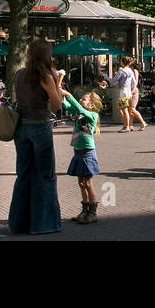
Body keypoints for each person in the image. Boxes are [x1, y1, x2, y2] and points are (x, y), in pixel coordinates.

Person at [9, 38, 65, 235]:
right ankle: (44, 224)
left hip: (20, 127)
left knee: (23, 174)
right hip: (40, 126)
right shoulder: (45, 76)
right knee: (45, 175)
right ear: (46, 56)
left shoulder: (19, 75)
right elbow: (57, 105)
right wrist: (57, 83)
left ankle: (18, 223)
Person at [62, 90, 103, 225]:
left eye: (84, 99)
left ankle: (92, 212)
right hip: (78, 153)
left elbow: (79, 108)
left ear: (91, 105)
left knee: (88, 183)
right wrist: (61, 96)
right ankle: (84, 210)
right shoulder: (79, 114)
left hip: (87, 153)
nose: (81, 100)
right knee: (81, 183)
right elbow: (68, 106)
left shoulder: (92, 115)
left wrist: (68, 95)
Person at [114, 56, 140, 132]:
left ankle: (127, 126)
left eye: (121, 61)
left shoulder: (123, 70)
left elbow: (114, 80)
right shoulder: (129, 70)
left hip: (124, 92)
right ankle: (127, 124)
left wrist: (106, 77)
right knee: (123, 109)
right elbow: (134, 82)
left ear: (123, 62)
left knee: (127, 110)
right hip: (128, 91)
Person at [127, 61, 147, 129]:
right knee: (130, 109)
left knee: (132, 108)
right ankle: (130, 125)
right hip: (129, 90)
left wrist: (132, 91)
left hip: (134, 90)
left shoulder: (135, 71)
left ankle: (142, 122)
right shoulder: (129, 70)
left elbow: (135, 83)